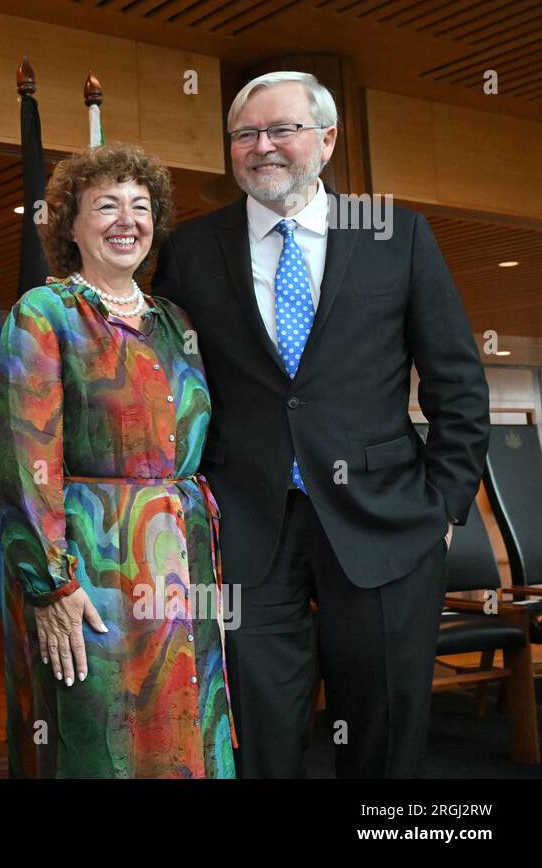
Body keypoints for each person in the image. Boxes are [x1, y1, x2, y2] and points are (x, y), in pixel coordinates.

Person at [151, 71, 490, 778]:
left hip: (386, 525)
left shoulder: (398, 235)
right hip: (243, 531)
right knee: (256, 731)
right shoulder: (189, 251)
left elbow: (458, 380)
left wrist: (445, 505)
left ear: (327, 139)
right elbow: (169, 394)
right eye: (245, 134)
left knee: (384, 730)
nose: (262, 146)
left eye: (283, 130)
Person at [0, 143, 236, 779]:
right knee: (101, 738)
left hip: (183, 563)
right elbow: (26, 462)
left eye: (141, 206)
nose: (127, 219)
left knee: (187, 732)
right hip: (90, 568)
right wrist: (51, 586)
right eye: (106, 205)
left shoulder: (175, 321)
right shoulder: (44, 314)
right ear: (69, 225)